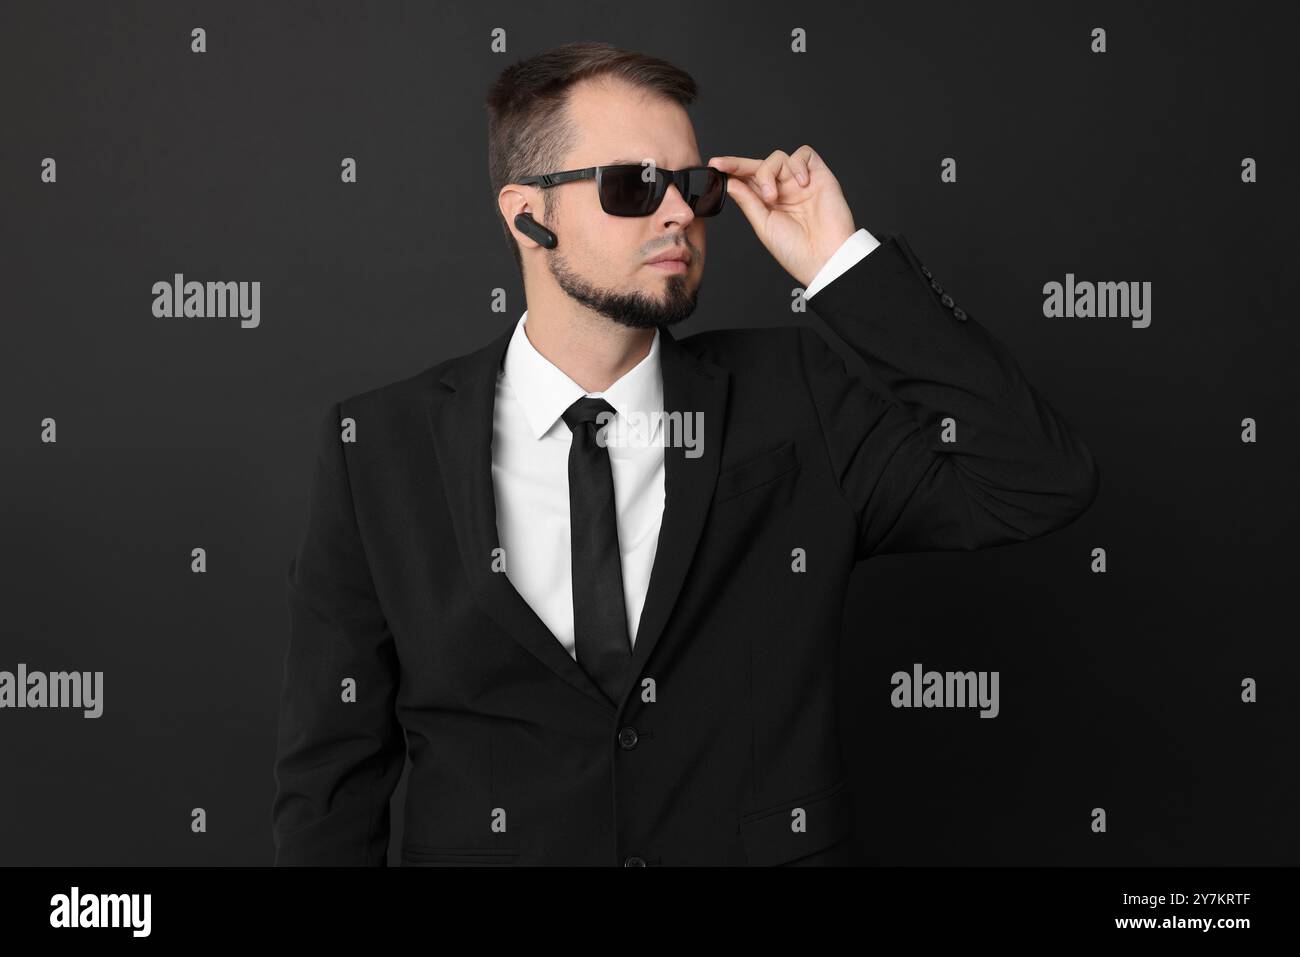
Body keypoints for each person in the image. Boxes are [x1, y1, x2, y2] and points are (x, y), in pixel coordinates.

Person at [271, 41, 1098, 866]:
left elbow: (1034, 479)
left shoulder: (795, 395)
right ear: (527, 213)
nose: (679, 214)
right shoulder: (375, 446)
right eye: (634, 185)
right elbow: (331, 779)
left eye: (693, 187)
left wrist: (841, 264)